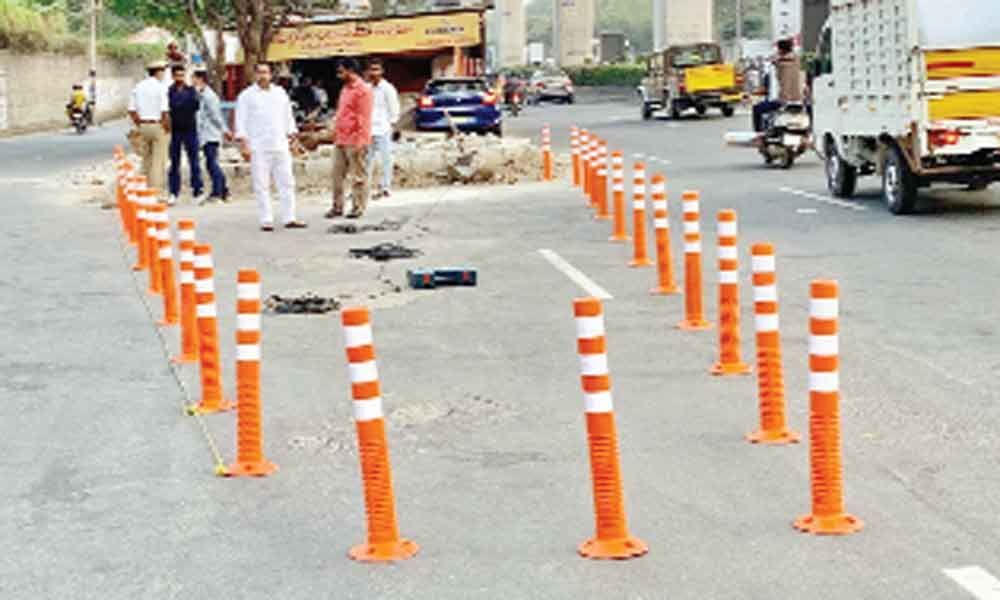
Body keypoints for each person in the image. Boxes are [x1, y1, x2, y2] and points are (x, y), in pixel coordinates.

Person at [234, 62, 307, 231]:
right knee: (261, 184)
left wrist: (292, 138)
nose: (263, 76)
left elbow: (288, 117)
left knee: (287, 182)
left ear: (271, 74)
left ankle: (290, 217)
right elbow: (241, 121)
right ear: (254, 75)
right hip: (258, 146)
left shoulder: (280, 93)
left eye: (265, 72)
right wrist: (244, 144)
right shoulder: (246, 96)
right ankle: (266, 219)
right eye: (259, 72)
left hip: (280, 144)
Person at [326, 58, 373, 220]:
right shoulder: (345, 89)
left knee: (358, 176)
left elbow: (364, 118)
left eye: (341, 71)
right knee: (337, 175)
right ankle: (337, 206)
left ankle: (358, 207)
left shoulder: (363, 90)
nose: (339, 75)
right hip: (341, 138)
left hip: (355, 139)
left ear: (351, 70)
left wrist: (361, 141)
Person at [127, 61, 170, 193]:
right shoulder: (161, 87)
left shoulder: (138, 86)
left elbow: (131, 110)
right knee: (159, 160)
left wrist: (139, 123)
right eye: (163, 71)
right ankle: (156, 191)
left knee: (146, 159)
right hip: (157, 124)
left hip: (143, 125)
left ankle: (141, 188)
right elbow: (164, 110)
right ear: (159, 72)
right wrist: (166, 126)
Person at [167, 64, 203, 205]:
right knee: (174, 163)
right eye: (177, 75)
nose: (180, 78)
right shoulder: (169, 91)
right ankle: (173, 191)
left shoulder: (191, 90)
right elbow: (170, 107)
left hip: (190, 129)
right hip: (175, 131)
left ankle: (197, 189)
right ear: (173, 76)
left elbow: (195, 106)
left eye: (182, 75)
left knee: (194, 161)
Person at [193, 70, 229, 204]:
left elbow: (215, 116)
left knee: (212, 163)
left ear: (200, 79)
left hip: (211, 134)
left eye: (194, 78)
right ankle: (224, 190)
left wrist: (224, 130)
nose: (193, 81)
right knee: (211, 162)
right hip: (205, 134)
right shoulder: (201, 95)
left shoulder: (209, 96)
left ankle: (218, 192)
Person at [752, 39, 803, 132]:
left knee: (756, 108)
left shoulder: (779, 62)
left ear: (780, 50)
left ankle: (759, 134)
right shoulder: (798, 60)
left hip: (784, 101)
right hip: (800, 100)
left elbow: (773, 60)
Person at [366, 58, 400, 199]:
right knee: (366, 160)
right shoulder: (367, 88)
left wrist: (391, 124)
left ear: (382, 71)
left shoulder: (388, 88)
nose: (374, 72)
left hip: (383, 128)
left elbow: (394, 108)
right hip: (368, 129)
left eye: (377, 69)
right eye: (372, 69)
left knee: (386, 159)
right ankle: (364, 188)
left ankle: (385, 187)